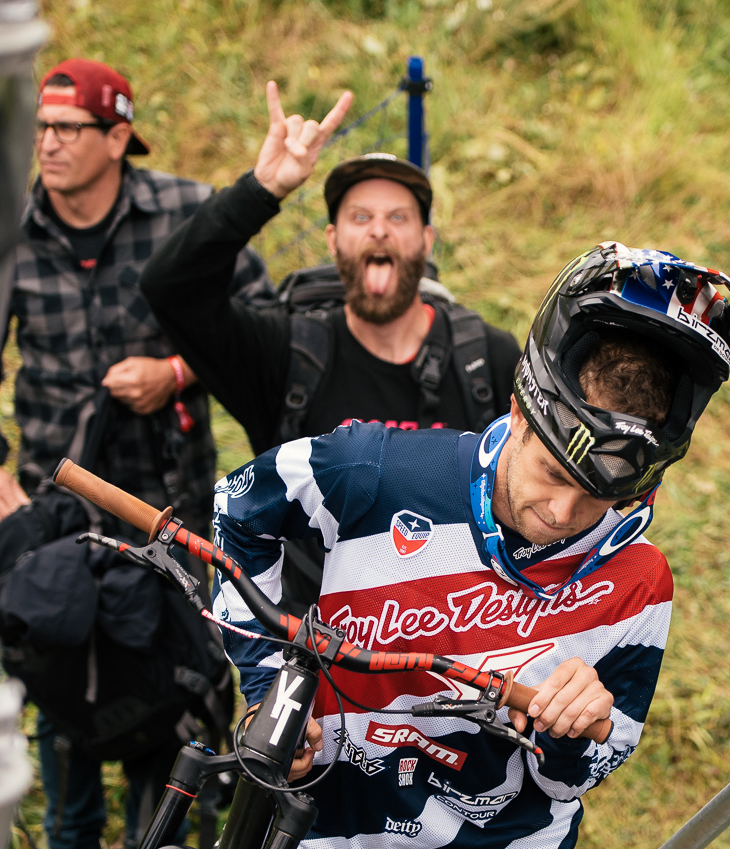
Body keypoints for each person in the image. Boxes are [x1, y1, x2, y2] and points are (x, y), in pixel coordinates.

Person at [211, 218, 730, 849]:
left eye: (599, 502)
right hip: (336, 847)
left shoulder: (639, 582)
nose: (563, 516)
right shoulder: (372, 469)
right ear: (516, 410)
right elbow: (231, 519)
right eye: (552, 476)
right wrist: (267, 687)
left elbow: (591, 763)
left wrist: (572, 735)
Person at [0, 57, 274, 849]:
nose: (48, 144)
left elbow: (260, 309)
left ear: (117, 138)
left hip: (171, 500)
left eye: (70, 130)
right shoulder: (5, 239)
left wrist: (177, 372)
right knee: (61, 682)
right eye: (41, 127)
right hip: (57, 512)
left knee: (172, 677)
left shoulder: (183, 214)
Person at [140, 82, 521, 616]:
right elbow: (170, 289)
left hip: (460, 642)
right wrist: (261, 190)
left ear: (427, 242)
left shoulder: (486, 357)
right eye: (360, 218)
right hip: (316, 651)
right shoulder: (284, 354)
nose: (379, 233)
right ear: (332, 239)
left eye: (398, 218)